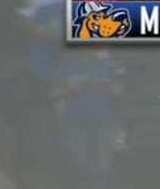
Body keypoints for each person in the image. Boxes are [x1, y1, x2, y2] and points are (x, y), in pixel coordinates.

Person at [51, 46, 124, 177]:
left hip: (104, 122)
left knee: (105, 167)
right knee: (78, 166)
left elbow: (118, 92)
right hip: (75, 122)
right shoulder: (67, 64)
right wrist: (69, 88)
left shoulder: (108, 64)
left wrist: (113, 88)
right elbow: (51, 94)